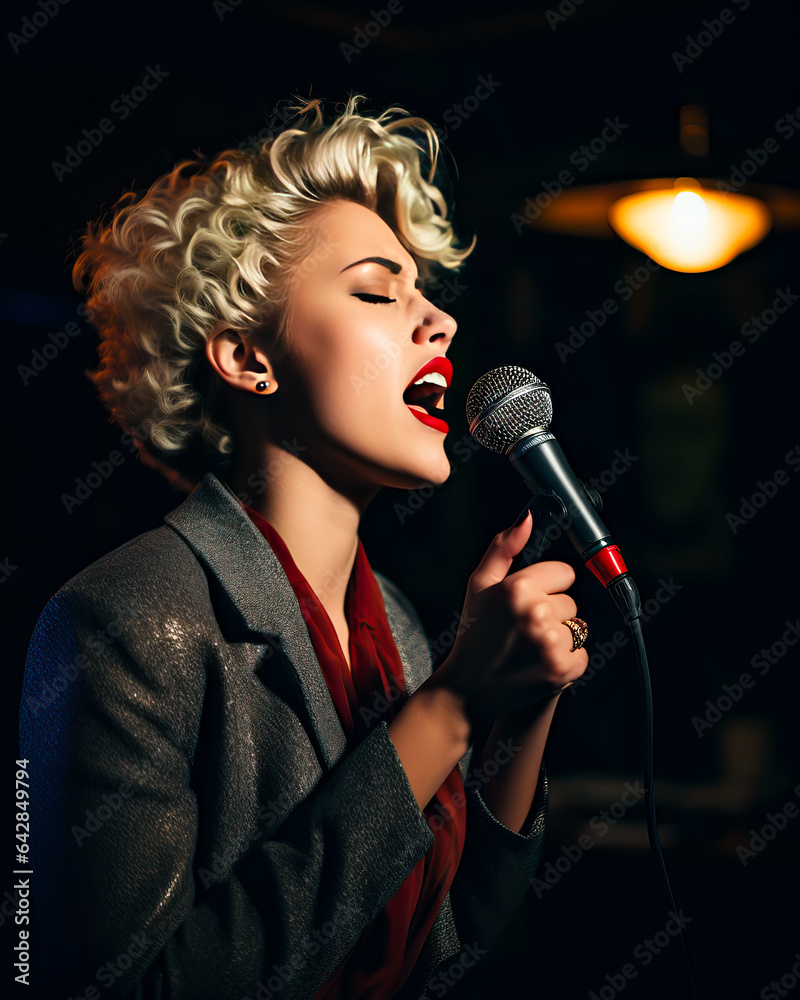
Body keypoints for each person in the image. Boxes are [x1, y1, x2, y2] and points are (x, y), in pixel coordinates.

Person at [20, 94, 589, 1000]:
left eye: (426, 292)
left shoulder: (393, 624)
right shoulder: (121, 620)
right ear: (249, 359)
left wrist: (514, 702)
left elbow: (446, 942)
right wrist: (448, 703)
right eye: (376, 290)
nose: (437, 322)